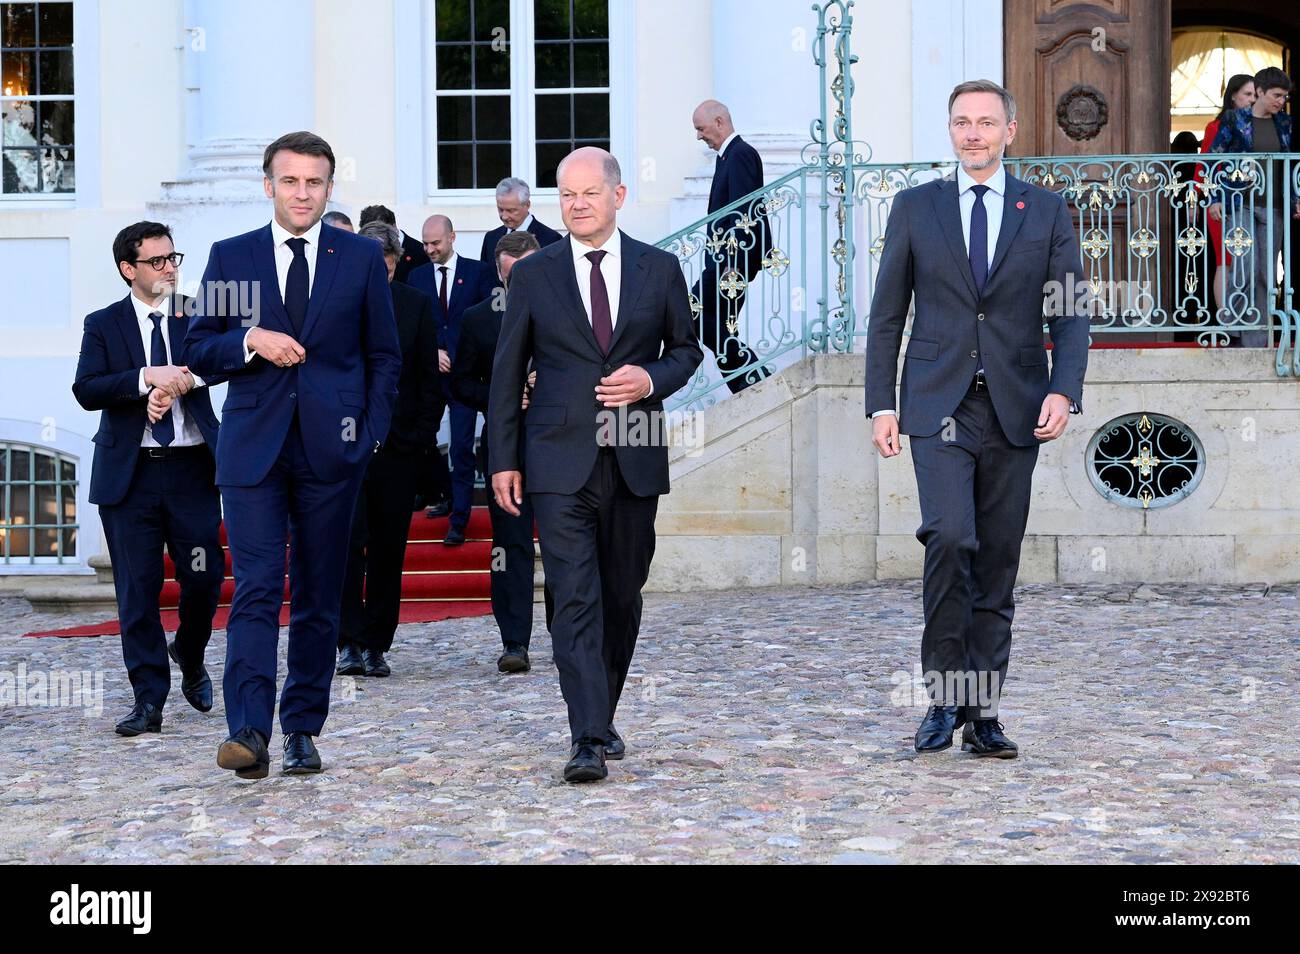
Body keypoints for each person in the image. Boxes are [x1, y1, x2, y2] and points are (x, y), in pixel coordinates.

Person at [865, 80, 1088, 759]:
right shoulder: (915, 208)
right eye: (961, 122)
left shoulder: (1047, 212)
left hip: (1016, 407)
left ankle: (983, 711)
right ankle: (942, 697)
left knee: (995, 561)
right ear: (951, 130)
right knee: (950, 540)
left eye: (986, 123)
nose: (973, 134)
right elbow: (886, 316)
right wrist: (882, 401)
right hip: (936, 405)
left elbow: (1071, 311)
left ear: (1010, 131)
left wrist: (1063, 390)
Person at [185, 131, 402, 779]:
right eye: (290, 181)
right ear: (268, 185)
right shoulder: (233, 256)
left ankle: (303, 727)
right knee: (255, 588)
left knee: (316, 595)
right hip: (253, 452)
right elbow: (199, 350)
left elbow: (384, 357)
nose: (302, 193)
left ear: (330, 187)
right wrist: (249, 338)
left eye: (314, 182)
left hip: (333, 456)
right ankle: (248, 729)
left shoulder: (361, 258)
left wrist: (367, 437)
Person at [488, 147, 703, 782]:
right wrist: (502, 458)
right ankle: (585, 734)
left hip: (634, 451)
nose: (577, 204)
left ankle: (601, 709)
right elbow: (507, 373)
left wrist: (651, 379)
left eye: (588, 193)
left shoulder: (659, 269)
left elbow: (687, 351)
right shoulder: (534, 273)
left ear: (618, 196)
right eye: (567, 195)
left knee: (621, 593)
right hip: (557, 458)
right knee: (573, 596)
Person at [72, 222, 224, 736]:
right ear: (128, 269)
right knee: (136, 590)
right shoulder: (103, 323)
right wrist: (145, 380)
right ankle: (149, 698)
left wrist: (181, 376)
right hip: (130, 476)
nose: (169, 268)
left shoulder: (195, 313)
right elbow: (87, 388)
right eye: (157, 261)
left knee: (203, 578)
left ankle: (191, 650)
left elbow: (226, 361)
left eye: (172, 258)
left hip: (191, 467)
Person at [337, 222, 441, 679]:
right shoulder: (336, 302)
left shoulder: (415, 305)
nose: (379, 271)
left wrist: (417, 439)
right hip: (343, 445)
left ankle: (377, 643)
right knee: (345, 545)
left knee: (388, 549)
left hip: (398, 450)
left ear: (397, 263)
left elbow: (427, 381)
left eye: (387, 263)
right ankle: (348, 640)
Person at [452, 230, 553, 673]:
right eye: (514, 275)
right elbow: (458, 383)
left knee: (564, 542)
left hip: (559, 444)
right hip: (505, 447)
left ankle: (568, 636)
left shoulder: (568, 312)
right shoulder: (477, 319)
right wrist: (505, 394)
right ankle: (515, 641)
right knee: (509, 545)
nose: (522, 282)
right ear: (498, 272)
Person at [407, 215, 495, 545]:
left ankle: (459, 519)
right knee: (423, 442)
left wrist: (464, 358)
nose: (429, 249)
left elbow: (487, 321)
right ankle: (441, 495)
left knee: (460, 446)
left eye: (436, 243)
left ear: (452, 237)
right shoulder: (416, 277)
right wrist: (432, 351)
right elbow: (413, 324)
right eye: (426, 243)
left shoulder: (478, 273)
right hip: (430, 376)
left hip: (466, 377)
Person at [1208, 66, 1300, 346]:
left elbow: (1291, 164)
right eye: (1276, 95)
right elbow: (1215, 158)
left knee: (1266, 272)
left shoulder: (1285, 123)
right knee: (1244, 267)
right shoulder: (1235, 119)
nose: (1280, 101)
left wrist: (1295, 198)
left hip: (1274, 205)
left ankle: (1258, 338)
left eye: (1284, 97)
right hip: (1240, 204)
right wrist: (1214, 198)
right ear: (1259, 92)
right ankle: (1233, 331)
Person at [691, 99, 774, 393]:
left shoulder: (740, 154)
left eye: (701, 129)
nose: (699, 136)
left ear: (719, 123)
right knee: (716, 324)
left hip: (732, 261)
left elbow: (743, 211)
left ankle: (750, 379)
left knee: (694, 309)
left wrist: (730, 262)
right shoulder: (727, 156)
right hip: (723, 259)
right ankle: (751, 382)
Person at [1195, 74, 1255, 311]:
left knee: (1247, 263)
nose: (1251, 99)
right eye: (1247, 94)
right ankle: (1225, 319)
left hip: (1249, 202)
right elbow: (1204, 167)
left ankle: (1246, 318)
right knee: (1225, 261)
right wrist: (1197, 202)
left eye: (1254, 95)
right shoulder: (1216, 127)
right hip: (1220, 203)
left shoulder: (1255, 128)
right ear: (1233, 96)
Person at [479, 177, 563, 265]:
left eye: (511, 210)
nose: (504, 216)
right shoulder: (491, 238)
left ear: (527, 205)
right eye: (500, 209)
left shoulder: (551, 239)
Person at [359, 204, 429, 283]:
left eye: (380, 231)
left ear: (393, 226)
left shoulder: (421, 252)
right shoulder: (360, 251)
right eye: (371, 233)